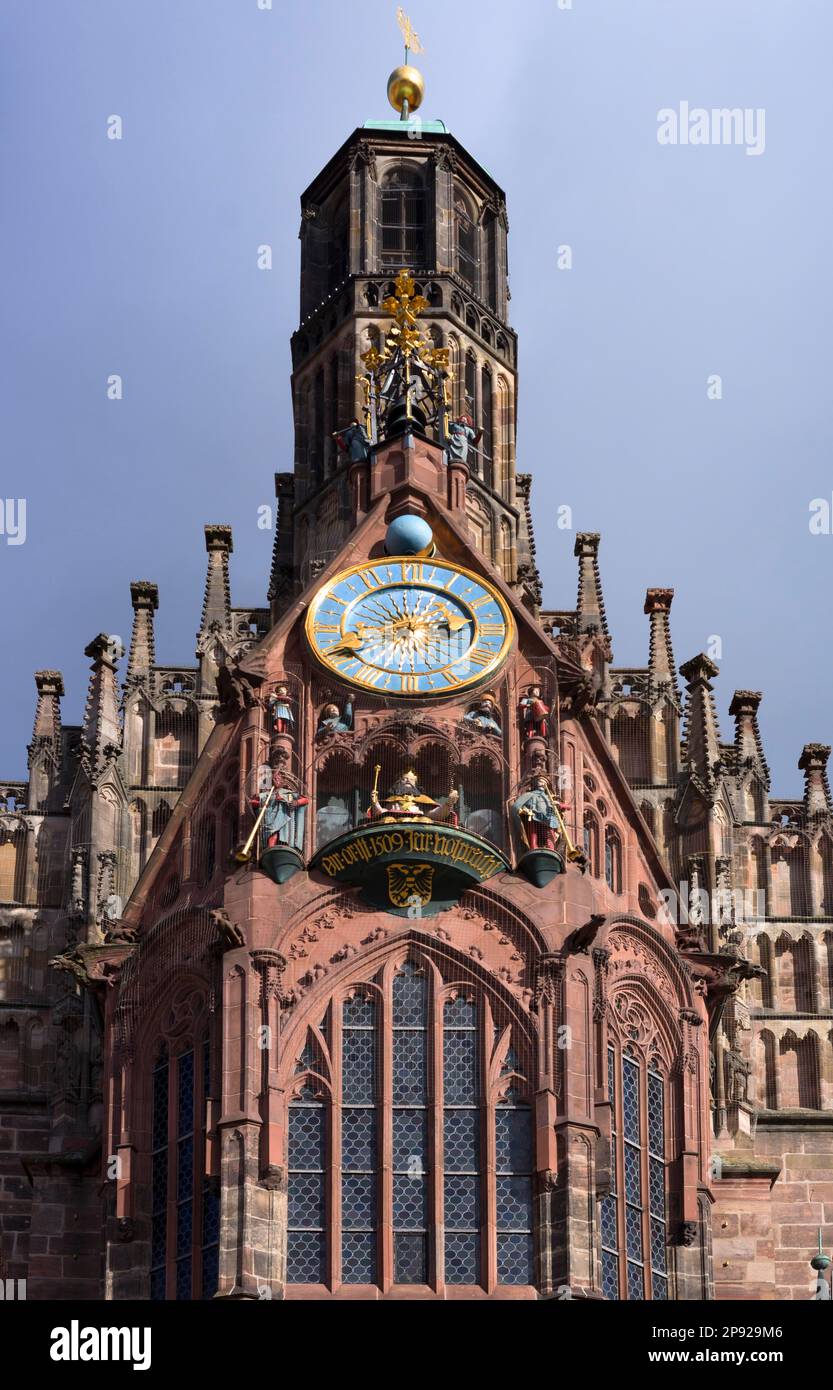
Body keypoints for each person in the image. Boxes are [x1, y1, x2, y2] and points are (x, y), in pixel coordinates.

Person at [367, 769, 458, 825]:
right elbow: (380, 813)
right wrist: (375, 802)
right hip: (395, 829)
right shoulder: (392, 800)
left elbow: (435, 815)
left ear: (416, 784)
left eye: (411, 780)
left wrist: (448, 803)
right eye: (404, 779)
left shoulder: (423, 800)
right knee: (386, 820)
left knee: (426, 821)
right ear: (399, 783)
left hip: (418, 828)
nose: (408, 781)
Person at [250, 772, 308, 850]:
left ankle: (278, 849)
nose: (276, 780)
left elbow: (305, 800)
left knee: (279, 836)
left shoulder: (288, 793)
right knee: (272, 835)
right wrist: (261, 803)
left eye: (278, 779)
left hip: (284, 817)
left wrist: (292, 801)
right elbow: (253, 802)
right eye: (274, 779)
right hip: (269, 819)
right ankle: (270, 850)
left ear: (282, 781)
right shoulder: (266, 794)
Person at [512, 775, 568, 852]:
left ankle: (551, 851)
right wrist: (524, 810)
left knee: (549, 839)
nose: (542, 783)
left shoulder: (549, 798)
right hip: (534, 818)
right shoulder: (530, 795)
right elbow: (516, 806)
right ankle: (533, 849)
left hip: (548, 820)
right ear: (535, 783)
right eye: (540, 781)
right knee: (533, 836)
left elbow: (567, 807)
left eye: (544, 782)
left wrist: (558, 804)